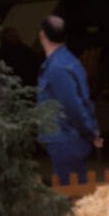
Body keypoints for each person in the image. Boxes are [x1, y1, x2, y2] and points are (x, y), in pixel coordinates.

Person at [36, 16, 101, 185]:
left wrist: (88, 132)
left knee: (71, 194)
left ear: (42, 35)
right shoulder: (68, 61)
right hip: (70, 136)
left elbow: (73, 105)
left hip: (66, 137)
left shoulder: (57, 67)